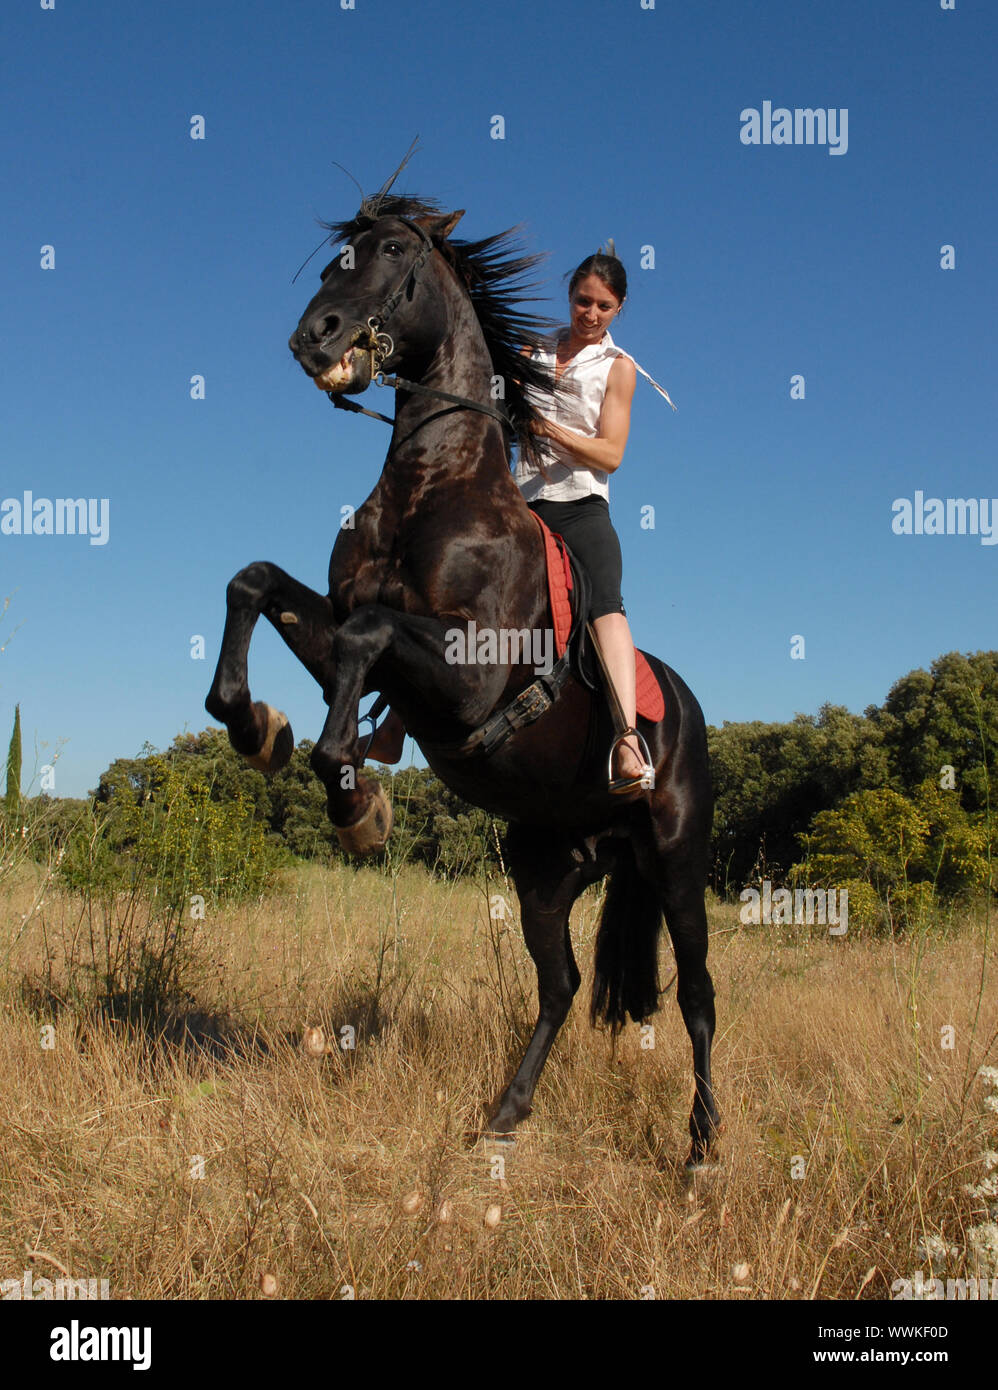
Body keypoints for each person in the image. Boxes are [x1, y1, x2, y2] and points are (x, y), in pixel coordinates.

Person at [367, 246, 673, 793]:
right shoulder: (532, 351)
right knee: (441, 597)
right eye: (583, 300)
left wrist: (544, 428)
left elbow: (610, 454)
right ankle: (393, 726)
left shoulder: (619, 370)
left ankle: (627, 738)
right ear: (570, 295)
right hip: (520, 507)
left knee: (605, 603)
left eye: (604, 306)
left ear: (619, 308)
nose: (590, 313)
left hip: (581, 510)